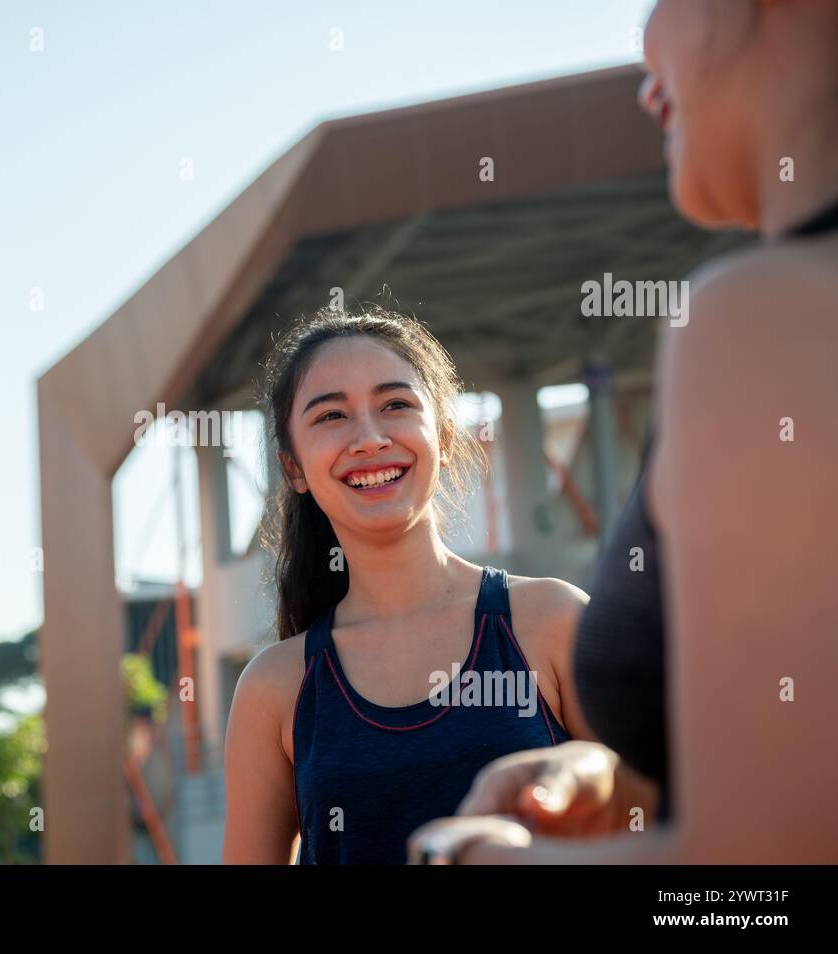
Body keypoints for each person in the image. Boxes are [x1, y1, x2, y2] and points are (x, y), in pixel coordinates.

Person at [410, 0, 838, 864]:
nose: (646, 77)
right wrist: (625, 783)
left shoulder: (769, 316)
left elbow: (761, 884)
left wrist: (469, 860)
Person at [222, 304, 594, 864]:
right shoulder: (274, 688)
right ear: (293, 468)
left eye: (395, 404)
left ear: (444, 438)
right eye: (331, 416)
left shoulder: (554, 620)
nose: (369, 439)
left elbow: (665, 826)